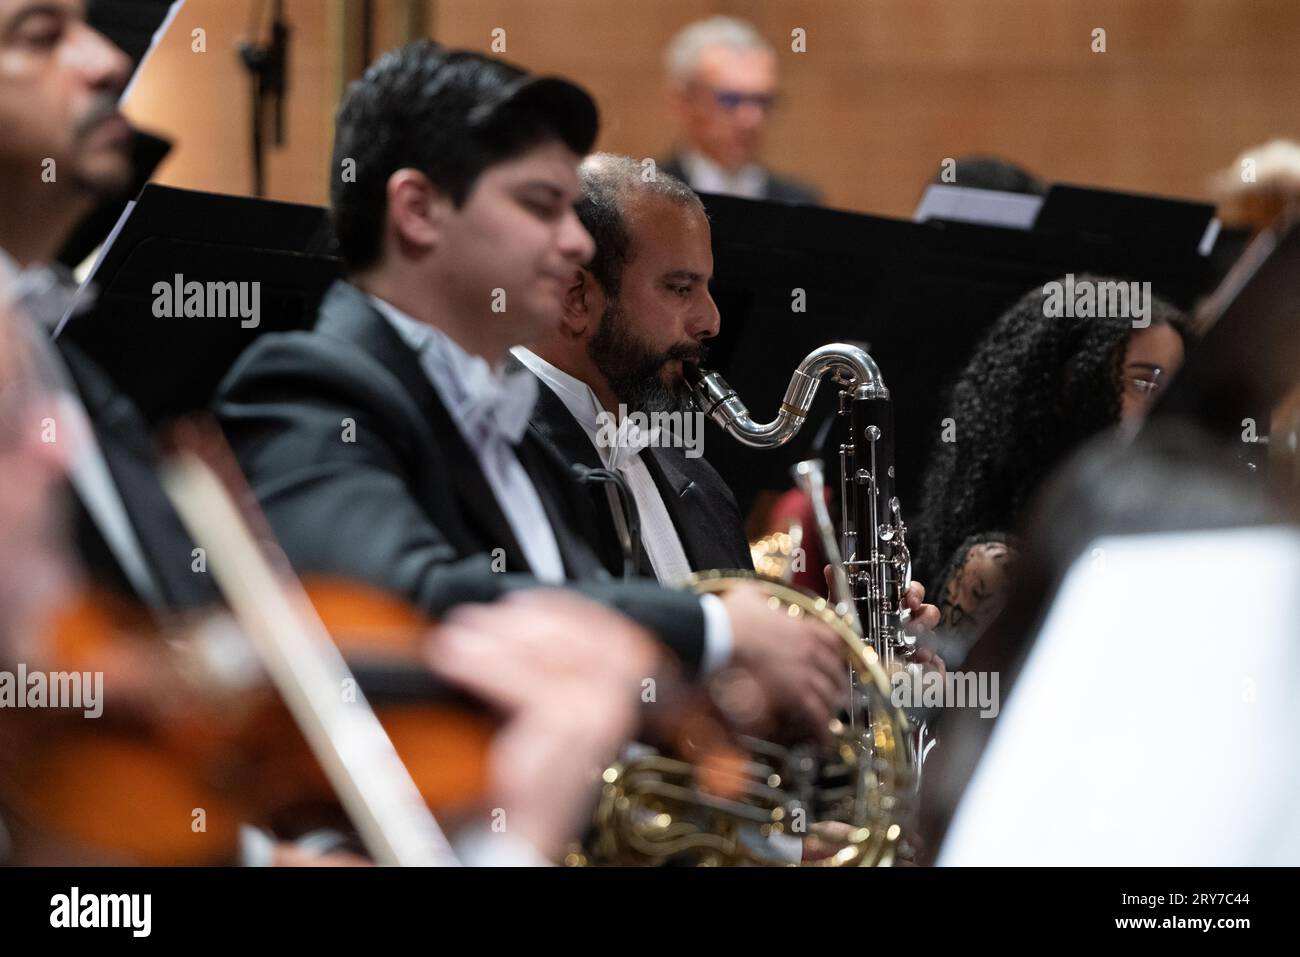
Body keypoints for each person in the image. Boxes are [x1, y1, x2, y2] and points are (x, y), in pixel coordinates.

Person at [215, 42, 849, 738]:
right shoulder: (308, 386)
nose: (578, 244)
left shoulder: (512, 428)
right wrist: (714, 627)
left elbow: (585, 633)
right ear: (419, 211)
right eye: (542, 205)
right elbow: (409, 603)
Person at [516, 152, 942, 642]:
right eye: (680, 288)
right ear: (576, 297)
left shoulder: (700, 483)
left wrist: (830, 663)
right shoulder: (493, 460)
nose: (712, 320)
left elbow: (727, 698)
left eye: (707, 288)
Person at [915, 277, 1193, 654]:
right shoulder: (996, 568)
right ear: (1068, 390)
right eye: (1144, 383)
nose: (1164, 409)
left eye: (1174, 387)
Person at [660, 16, 819, 204]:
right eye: (730, 100)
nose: (752, 119)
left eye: (762, 100)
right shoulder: (647, 198)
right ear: (683, 102)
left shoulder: (800, 203)